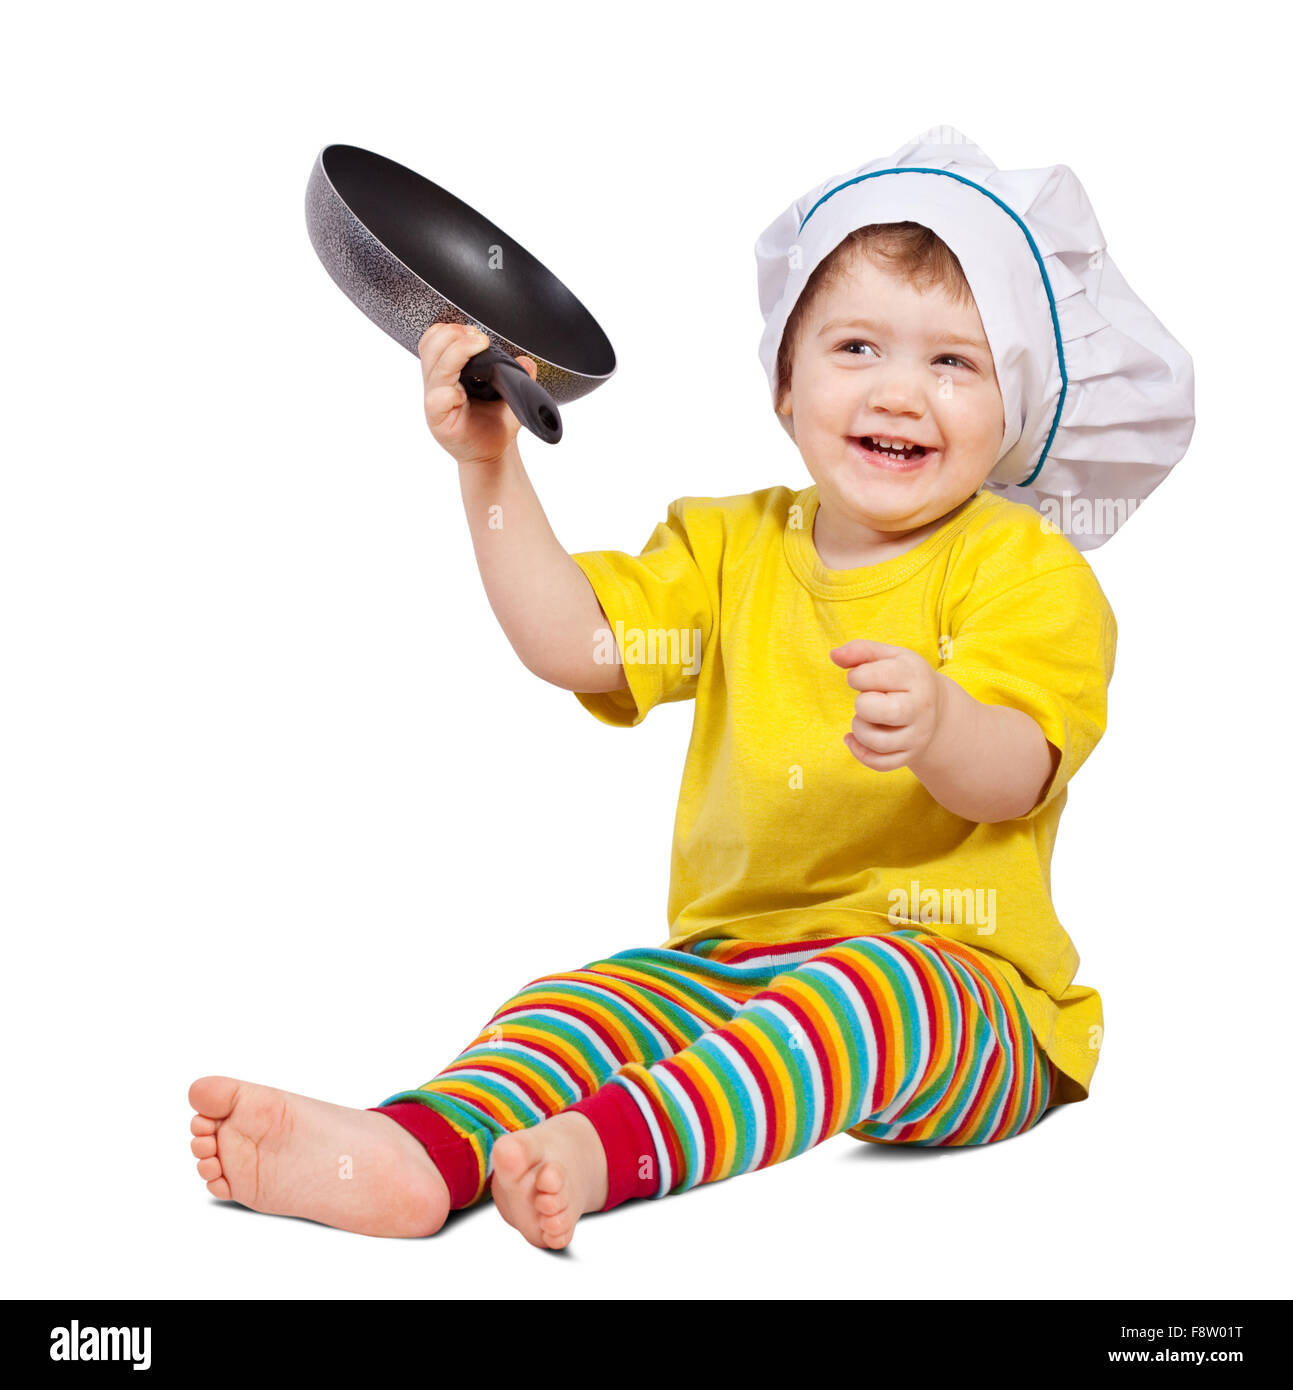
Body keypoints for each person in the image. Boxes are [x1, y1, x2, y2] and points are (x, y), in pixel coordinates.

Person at [188, 128, 1194, 1250]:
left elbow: (1017, 775)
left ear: (1014, 403)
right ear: (784, 381)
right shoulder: (733, 546)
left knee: (865, 994)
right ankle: (419, 1147)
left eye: (954, 363)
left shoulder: (1026, 569)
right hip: (727, 967)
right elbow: (579, 645)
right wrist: (488, 466)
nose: (901, 391)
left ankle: (605, 1147)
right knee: (576, 1003)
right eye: (856, 346)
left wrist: (946, 725)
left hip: (968, 999)